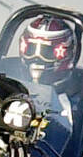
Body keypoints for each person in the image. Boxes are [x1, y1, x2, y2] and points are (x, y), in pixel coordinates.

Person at [15, 15, 76, 149]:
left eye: (46, 51)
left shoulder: (73, 99)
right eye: (31, 49)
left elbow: (67, 134)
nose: (37, 58)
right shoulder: (6, 75)